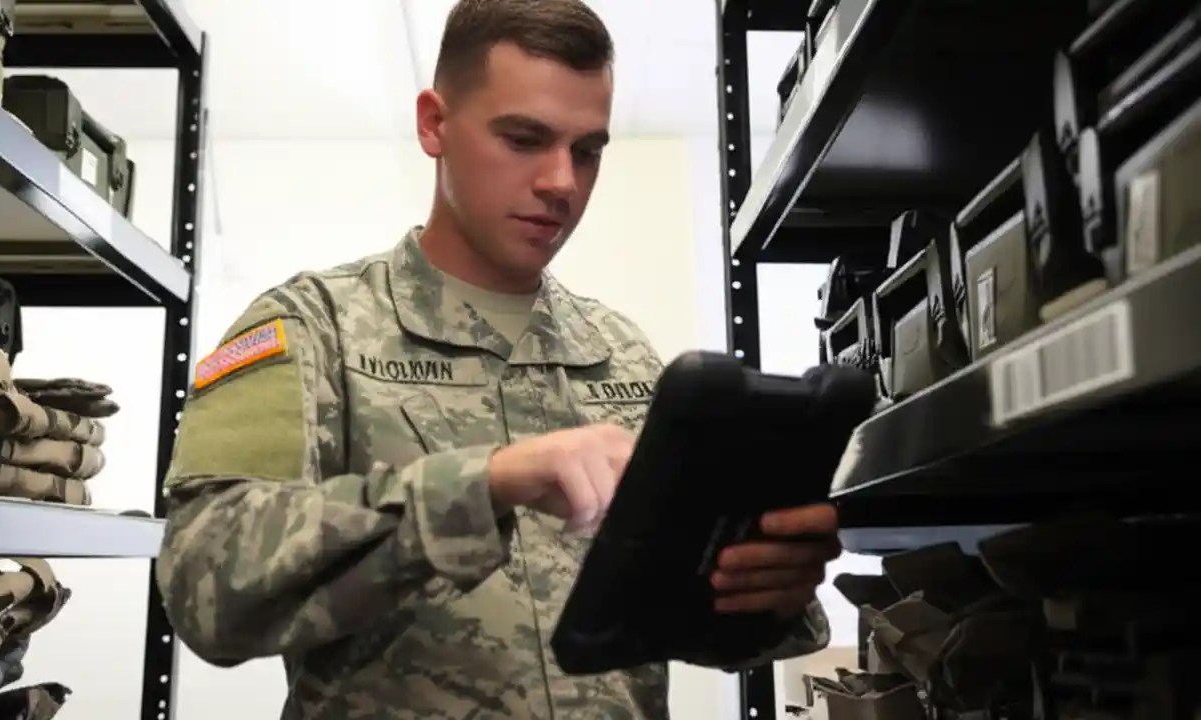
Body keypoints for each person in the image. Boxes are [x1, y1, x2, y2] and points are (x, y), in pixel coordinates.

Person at [155, 1, 842, 717]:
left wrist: (765, 586)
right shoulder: (312, 328)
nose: (561, 182)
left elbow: (677, 615)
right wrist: (482, 484)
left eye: (587, 150)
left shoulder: (625, 357)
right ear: (435, 124)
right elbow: (207, 581)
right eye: (524, 139)